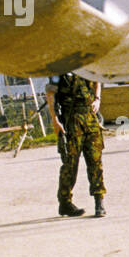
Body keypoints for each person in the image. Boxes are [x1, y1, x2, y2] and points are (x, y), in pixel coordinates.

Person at [46, 72, 105, 217]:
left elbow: (97, 78)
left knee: (95, 161)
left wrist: (97, 99)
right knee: (70, 164)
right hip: (70, 120)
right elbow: (50, 94)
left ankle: (99, 202)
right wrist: (55, 120)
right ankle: (65, 203)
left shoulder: (86, 66)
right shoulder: (58, 70)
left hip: (90, 118)